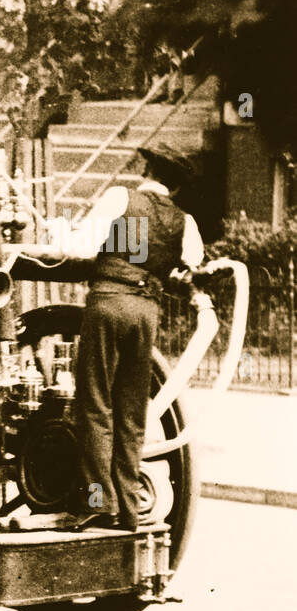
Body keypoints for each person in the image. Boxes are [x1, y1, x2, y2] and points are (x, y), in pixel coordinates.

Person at [65, 144, 204, 531]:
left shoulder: (119, 198)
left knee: (94, 403)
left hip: (109, 301)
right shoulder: (183, 221)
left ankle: (98, 501)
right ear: (174, 189)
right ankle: (128, 508)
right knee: (131, 410)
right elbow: (191, 264)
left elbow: (78, 247)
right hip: (147, 313)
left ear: (146, 170)